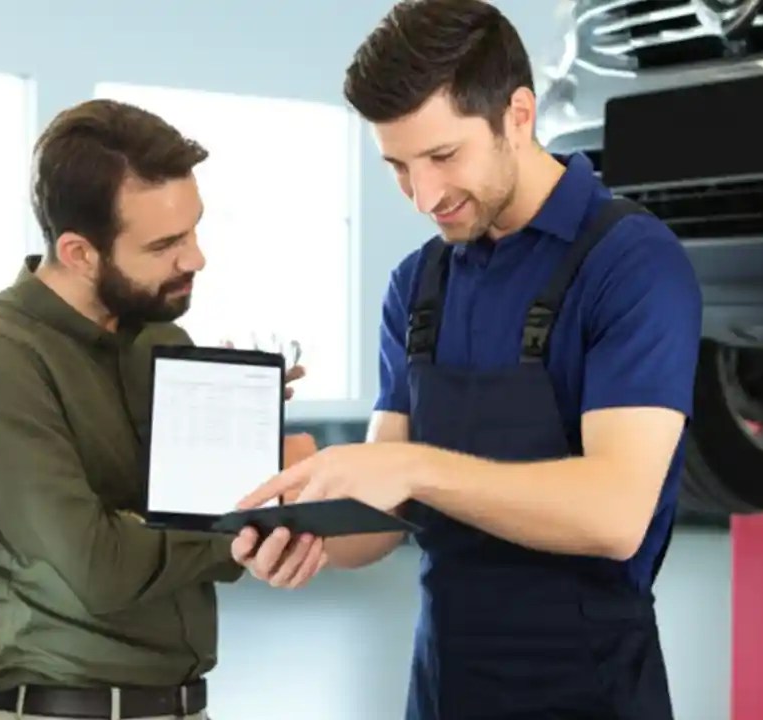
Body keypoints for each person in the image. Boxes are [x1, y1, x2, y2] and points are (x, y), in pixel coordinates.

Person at [236, 1, 703, 718]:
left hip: (591, 693)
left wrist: (416, 466)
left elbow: (616, 513)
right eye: (397, 166)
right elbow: (381, 522)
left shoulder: (632, 264)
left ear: (518, 114)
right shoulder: (419, 283)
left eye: (443, 156)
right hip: (443, 689)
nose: (423, 196)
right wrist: (305, 521)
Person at [0, 98, 325, 720]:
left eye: (193, 230)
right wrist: (241, 528)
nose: (195, 258)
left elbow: (183, 526)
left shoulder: (162, 342)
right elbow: (100, 567)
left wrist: (240, 438)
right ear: (80, 252)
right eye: (165, 243)